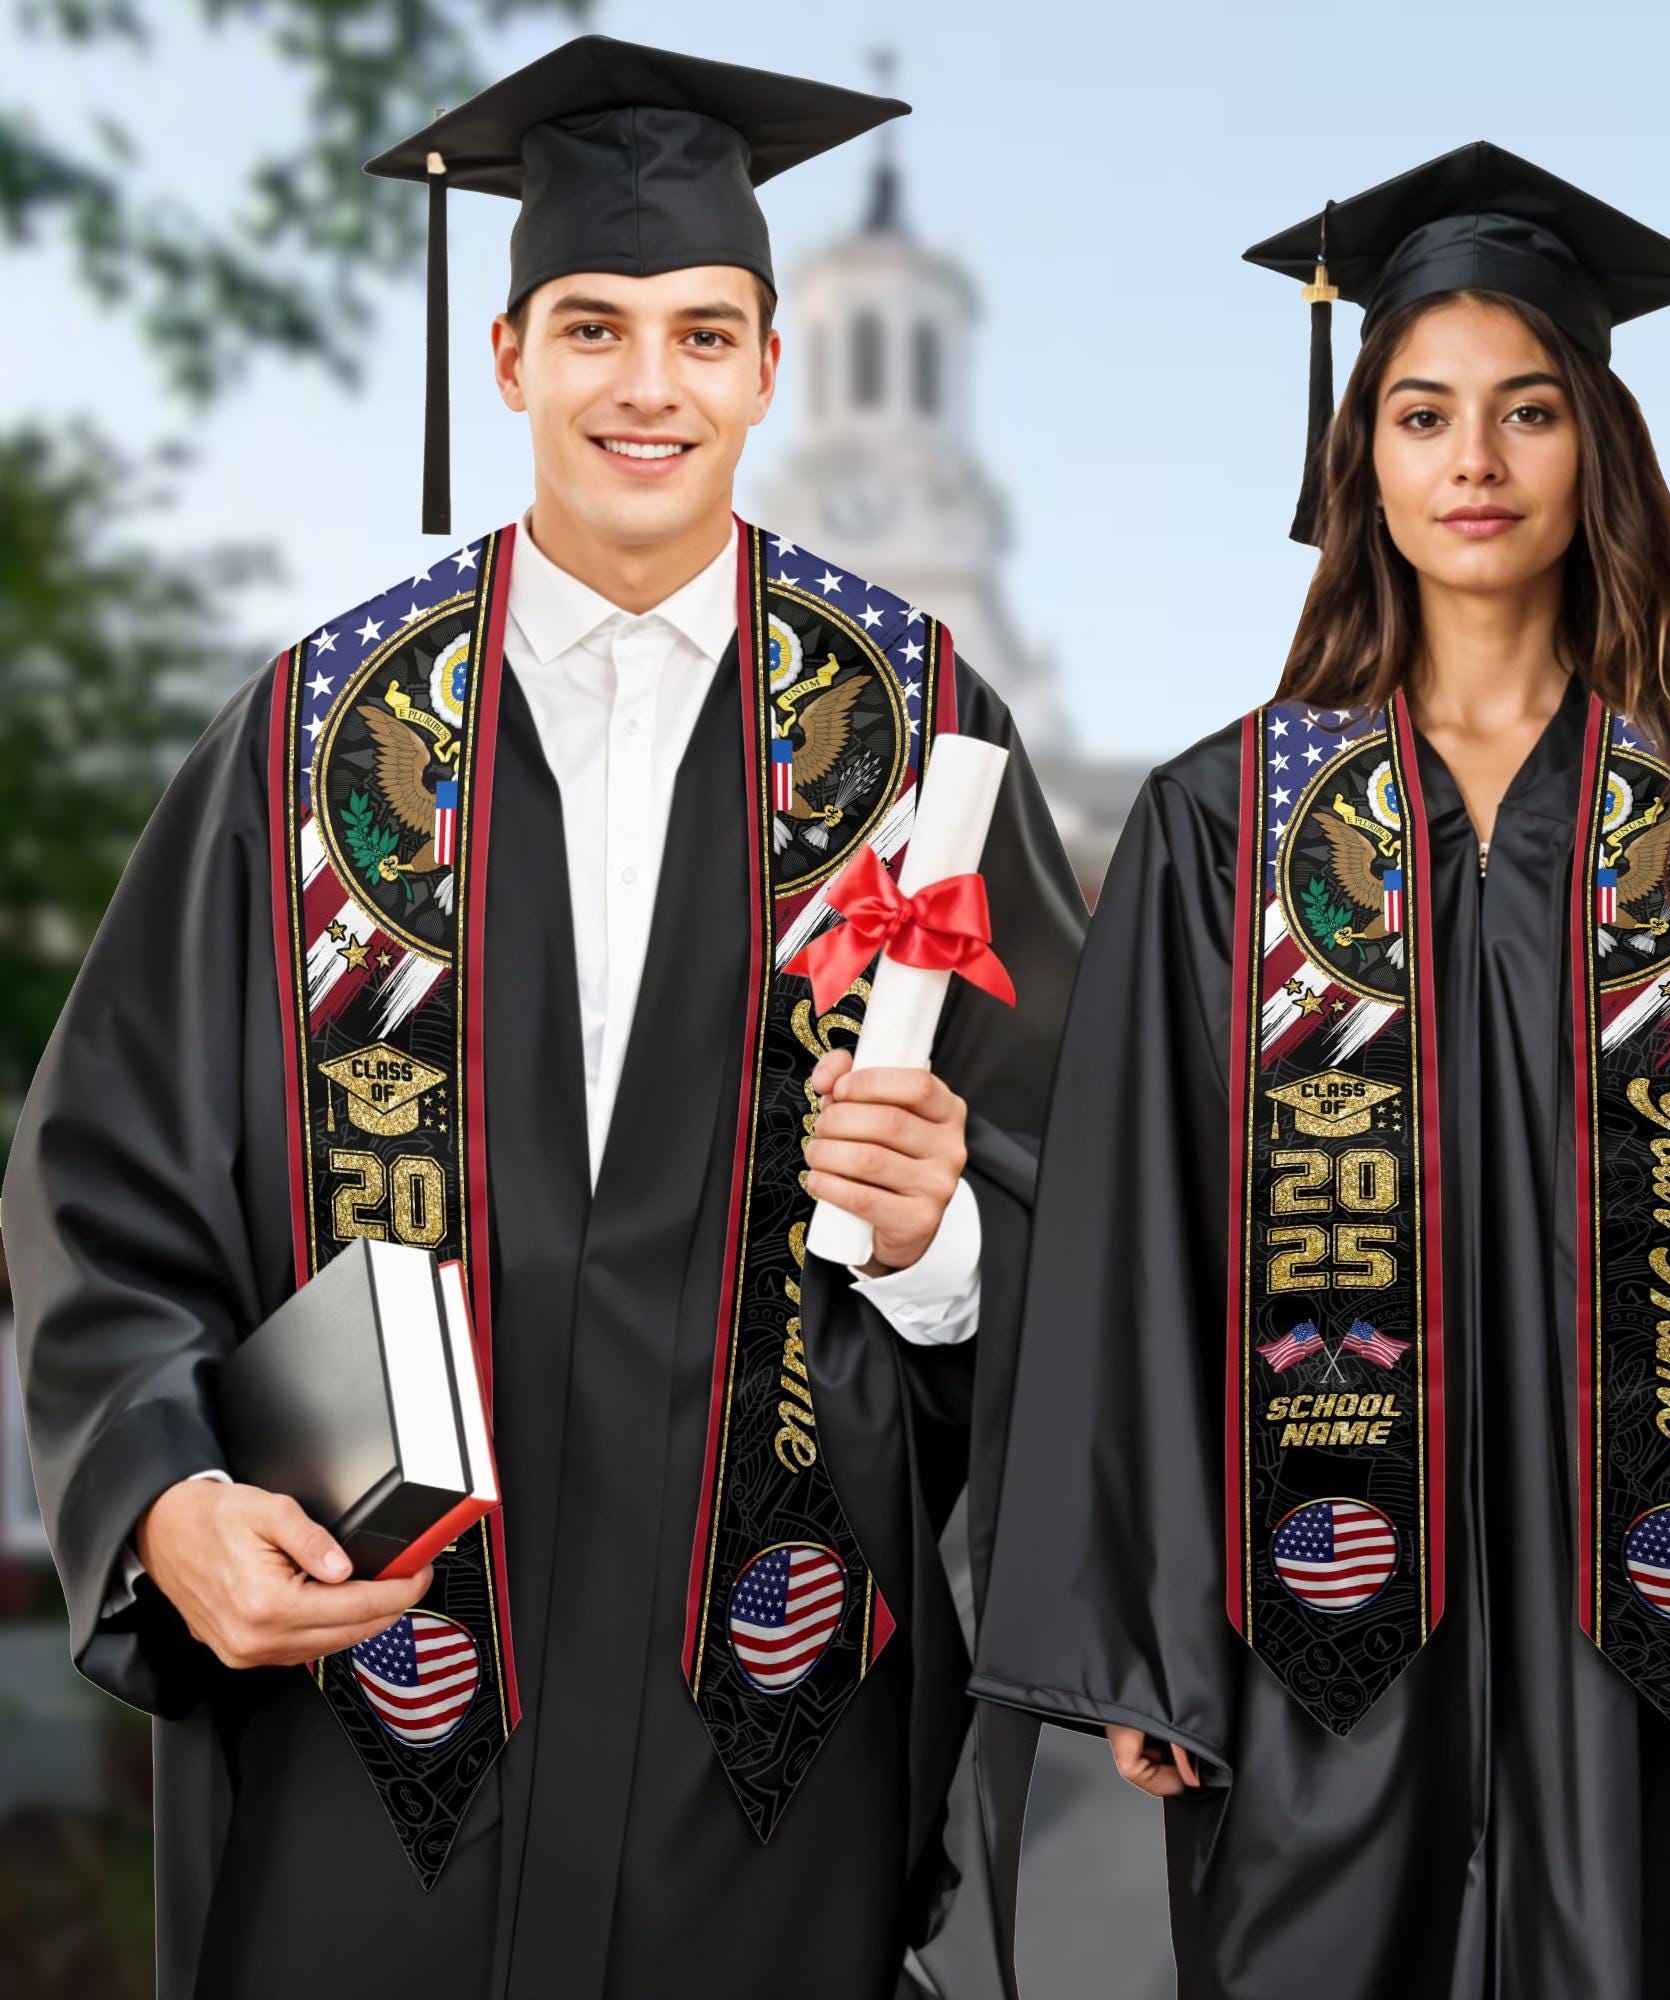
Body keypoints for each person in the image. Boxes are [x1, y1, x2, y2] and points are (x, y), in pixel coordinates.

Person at [5, 34, 1085, 2000]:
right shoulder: (311, 740)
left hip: (762, 1731)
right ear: (509, 360)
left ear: (772, 366)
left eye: (701, 332)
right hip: (369, 1725)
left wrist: (942, 1248)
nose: (646, 386)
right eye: (592, 326)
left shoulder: (920, 735)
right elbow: (102, 1181)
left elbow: (1098, 1195)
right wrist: (161, 1498)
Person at [969, 140, 1670, 1998]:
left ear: (1596, 445)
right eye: (1425, 412)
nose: (1475, 462)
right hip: (1328, 1622)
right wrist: (1149, 1631)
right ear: (1360, 452)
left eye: (1528, 412)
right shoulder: (1233, 825)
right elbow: (1143, 1225)